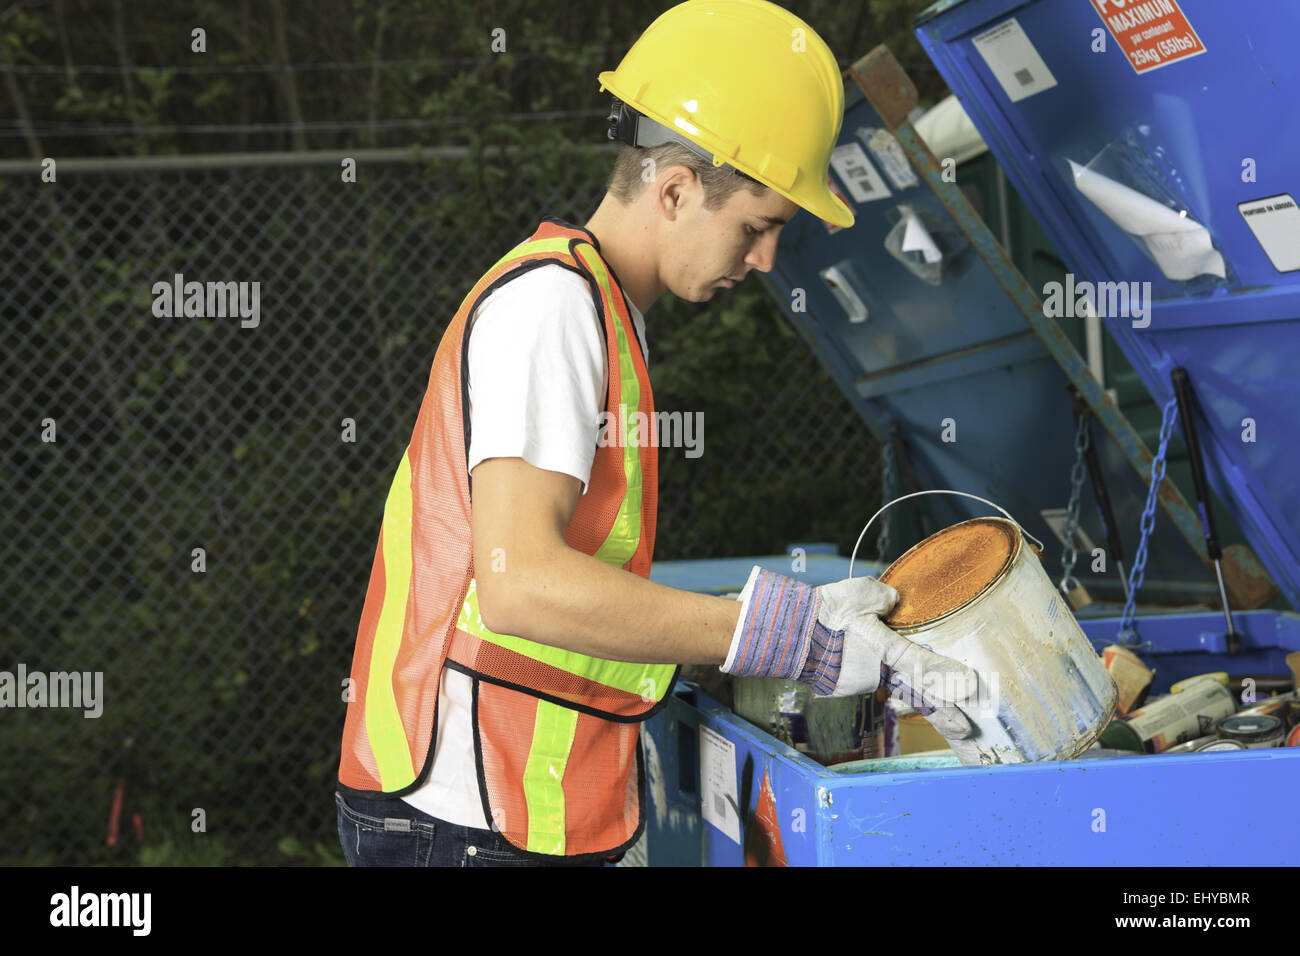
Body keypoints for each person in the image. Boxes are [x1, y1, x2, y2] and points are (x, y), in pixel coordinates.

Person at [334, 0, 978, 868]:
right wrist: (777, 635)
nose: (763, 262)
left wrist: (786, 621)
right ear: (674, 189)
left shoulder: (599, 308)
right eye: (757, 226)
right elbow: (519, 581)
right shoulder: (552, 308)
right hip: (468, 816)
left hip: (508, 806)